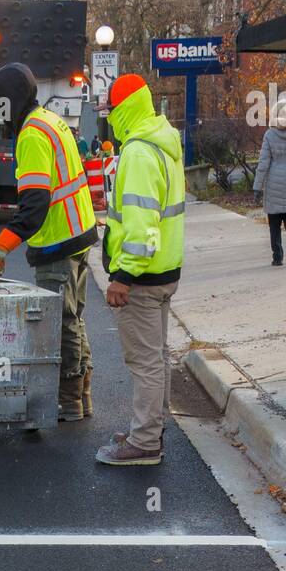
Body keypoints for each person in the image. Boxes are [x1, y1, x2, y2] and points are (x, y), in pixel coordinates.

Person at [0, 63, 97, 422]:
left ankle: (69, 401)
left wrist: (0, 245)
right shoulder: (50, 120)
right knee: (74, 318)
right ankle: (82, 396)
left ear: (10, 102)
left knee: (60, 322)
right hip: (77, 232)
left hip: (59, 240)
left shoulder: (32, 134)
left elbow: (34, 205)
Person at [96, 74, 185, 467]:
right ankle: (153, 425)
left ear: (124, 108)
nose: (108, 117)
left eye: (110, 110)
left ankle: (145, 442)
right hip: (165, 271)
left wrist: (122, 277)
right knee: (158, 355)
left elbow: (141, 223)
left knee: (144, 360)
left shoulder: (137, 152)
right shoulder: (163, 141)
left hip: (142, 279)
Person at [253, 100, 286, 267]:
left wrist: (257, 187)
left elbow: (263, 163)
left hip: (273, 183)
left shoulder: (270, 135)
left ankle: (277, 256)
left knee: (274, 223)